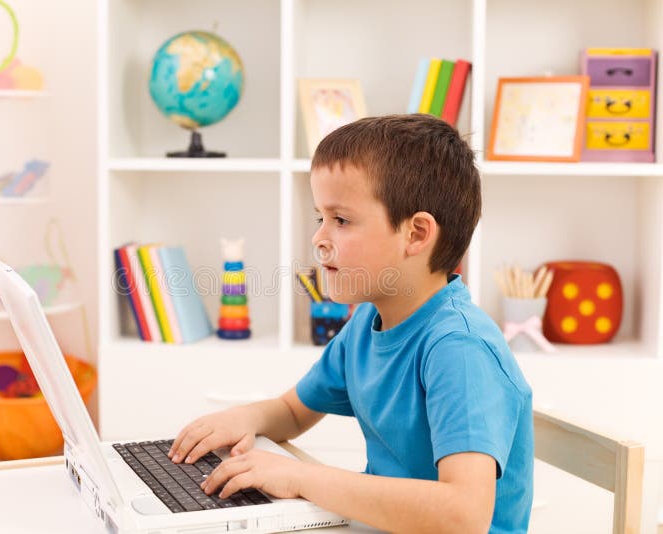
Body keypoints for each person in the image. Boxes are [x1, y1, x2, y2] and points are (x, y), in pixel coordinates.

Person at [168, 114, 534, 533]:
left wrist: (300, 477)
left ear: (415, 234)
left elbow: (463, 515)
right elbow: (293, 411)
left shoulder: (460, 349)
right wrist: (244, 418)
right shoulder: (367, 323)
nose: (319, 238)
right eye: (320, 218)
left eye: (341, 220)